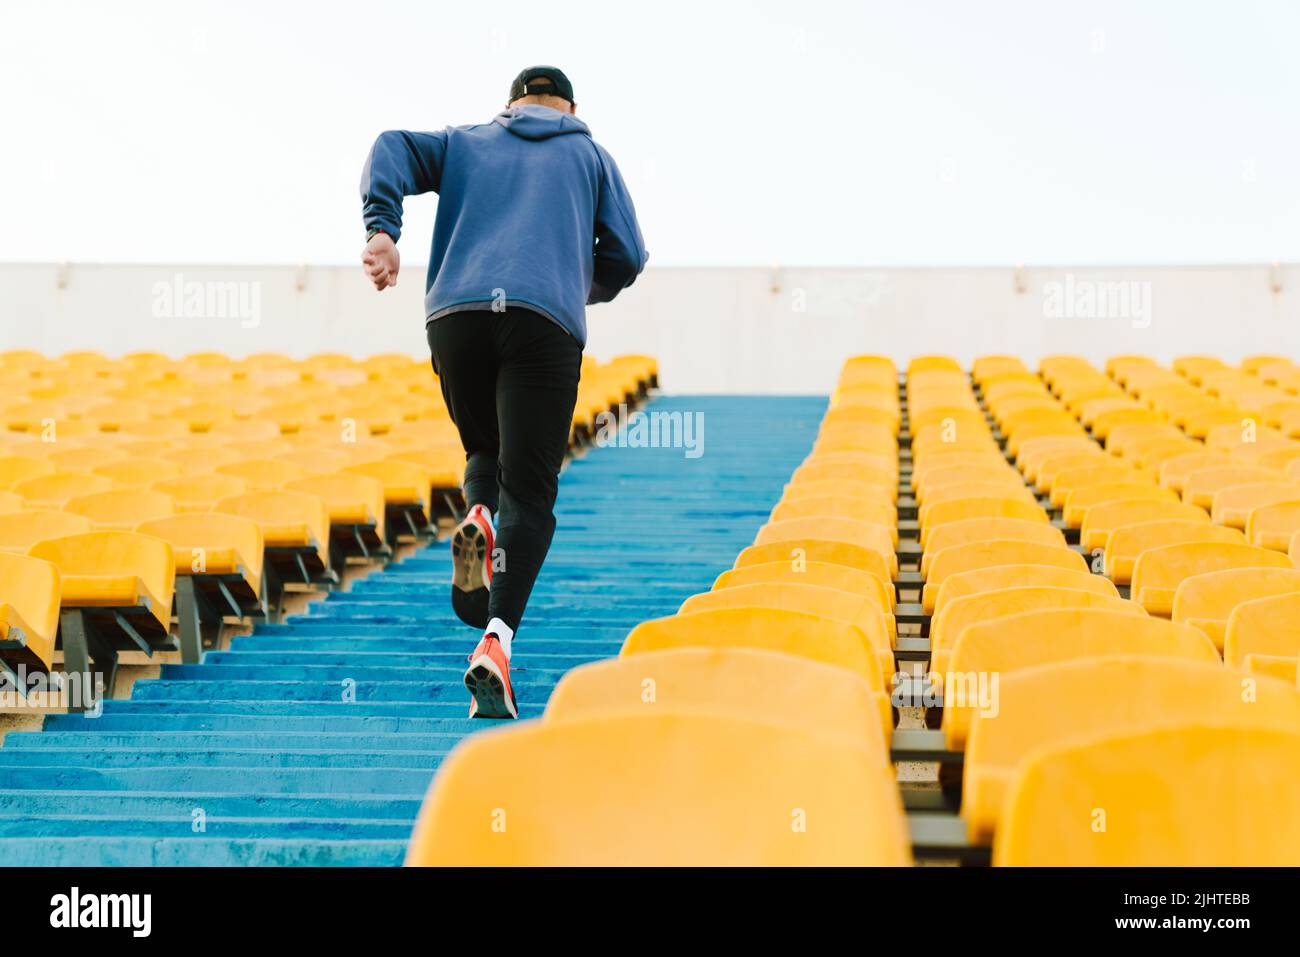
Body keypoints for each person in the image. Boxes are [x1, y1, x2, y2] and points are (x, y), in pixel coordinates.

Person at [359, 66, 647, 718]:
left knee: (483, 446)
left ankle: (478, 517)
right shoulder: (590, 155)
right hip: (543, 321)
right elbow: (627, 254)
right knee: (533, 492)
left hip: (456, 315)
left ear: (510, 104)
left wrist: (383, 228)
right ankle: (497, 639)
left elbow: (390, 146)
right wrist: (576, 281)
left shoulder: (467, 141)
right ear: (572, 106)